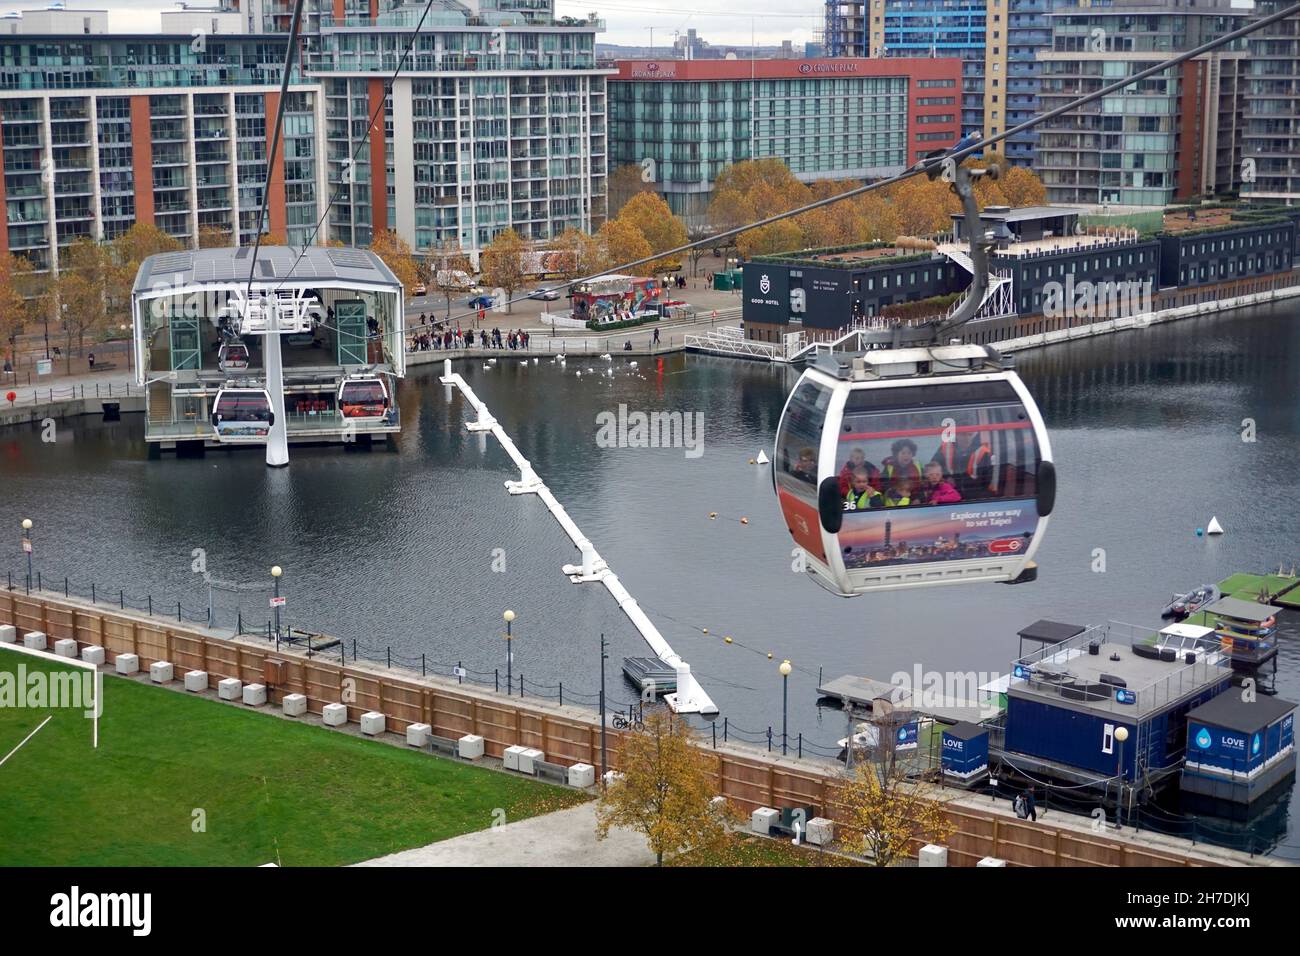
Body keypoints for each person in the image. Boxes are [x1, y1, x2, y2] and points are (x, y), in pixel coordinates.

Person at [933, 427, 993, 500]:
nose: (967, 438)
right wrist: (945, 479)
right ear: (956, 435)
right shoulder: (945, 447)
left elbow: (987, 479)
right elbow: (933, 468)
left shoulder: (983, 452)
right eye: (963, 435)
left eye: (970, 435)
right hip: (950, 495)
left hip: (976, 496)